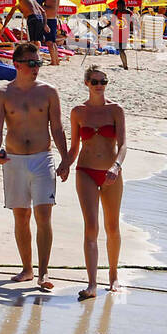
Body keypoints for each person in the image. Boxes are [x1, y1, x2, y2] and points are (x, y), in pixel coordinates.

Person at [0, 41, 71, 291]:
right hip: (14, 159)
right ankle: (27, 268)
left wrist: (65, 158)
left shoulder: (48, 92)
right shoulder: (3, 94)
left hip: (41, 157)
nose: (36, 68)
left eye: (39, 63)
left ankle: (43, 272)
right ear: (17, 65)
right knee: (21, 215)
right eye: (31, 63)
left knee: (43, 214)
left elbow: (56, 128)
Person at [65, 64, 127, 300]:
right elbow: (74, 148)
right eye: (95, 81)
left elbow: (123, 145)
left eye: (103, 81)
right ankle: (91, 283)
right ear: (86, 83)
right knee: (91, 227)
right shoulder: (78, 112)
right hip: (86, 171)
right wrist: (65, 165)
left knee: (112, 226)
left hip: (112, 172)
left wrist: (116, 166)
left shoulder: (115, 110)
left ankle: (112, 275)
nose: (99, 85)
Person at [38, 0, 62, 66]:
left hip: (49, 20)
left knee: (49, 42)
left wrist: (39, 5)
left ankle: (53, 61)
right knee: (52, 42)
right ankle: (56, 60)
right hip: (53, 19)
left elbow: (50, 8)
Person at [112, 0, 129, 69]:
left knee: (122, 50)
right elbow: (112, 21)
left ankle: (125, 65)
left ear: (124, 6)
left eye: (121, 6)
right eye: (118, 6)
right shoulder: (116, 11)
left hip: (124, 34)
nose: (120, 7)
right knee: (120, 50)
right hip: (117, 34)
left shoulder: (128, 13)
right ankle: (124, 63)